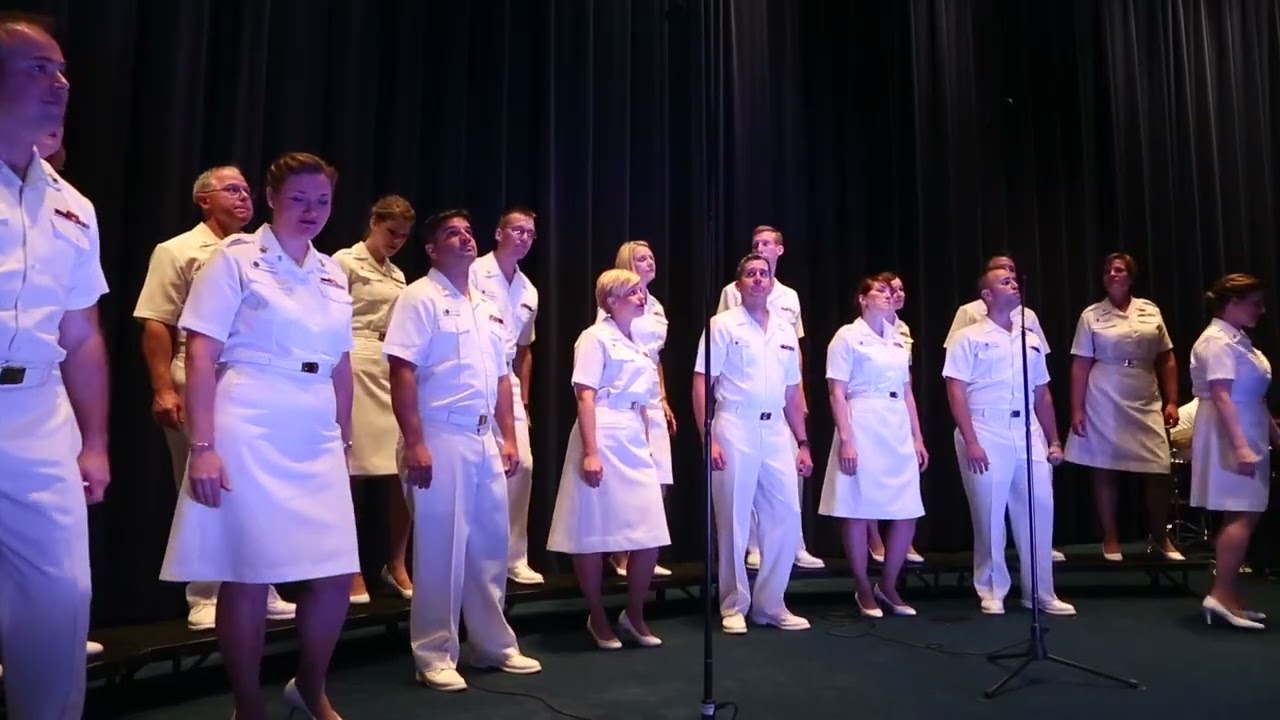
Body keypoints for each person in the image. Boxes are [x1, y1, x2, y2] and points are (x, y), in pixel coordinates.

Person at [159, 152, 358, 720]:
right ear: (272, 199)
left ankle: (310, 685)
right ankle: (248, 705)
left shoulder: (332, 271)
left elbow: (341, 363)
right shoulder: (235, 258)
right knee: (246, 573)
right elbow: (200, 353)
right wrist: (203, 445)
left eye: (321, 201)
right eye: (299, 199)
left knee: (336, 571)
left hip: (315, 422)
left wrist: (342, 440)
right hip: (250, 415)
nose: (311, 211)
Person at [0, 16, 111, 719]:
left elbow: (84, 331)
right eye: (38, 67)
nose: (59, 83)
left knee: (62, 594)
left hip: (40, 413)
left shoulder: (74, 207)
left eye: (63, 70)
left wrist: (95, 441)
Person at [384, 209, 541, 692]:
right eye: (452, 233)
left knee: (491, 544)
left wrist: (509, 436)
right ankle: (433, 652)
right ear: (432, 250)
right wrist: (415, 443)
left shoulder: (490, 305)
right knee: (441, 547)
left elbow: (500, 377)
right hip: (439, 433)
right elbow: (402, 369)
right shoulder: (419, 297)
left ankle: (493, 644)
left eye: (469, 231)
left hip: (484, 436)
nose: (465, 238)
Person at [135, 165, 297, 630]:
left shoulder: (264, 252)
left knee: (254, 486)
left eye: (248, 190)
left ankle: (259, 584)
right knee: (200, 482)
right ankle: (204, 593)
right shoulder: (179, 250)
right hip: (195, 371)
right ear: (204, 199)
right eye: (232, 189)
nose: (244, 197)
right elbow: (156, 321)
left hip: (252, 377)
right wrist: (164, 387)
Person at [548, 268, 671, 649]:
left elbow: (645, 400)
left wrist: (648, 445)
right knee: (592, 530)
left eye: (640, 291)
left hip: (634, 433)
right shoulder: (593, 338)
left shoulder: (638, 342)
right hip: (602, 427)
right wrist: (590, 452)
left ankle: (634, 614)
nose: (641, 297)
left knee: (649, 532)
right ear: (611, 300)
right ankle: (597, 616)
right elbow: (584, 396)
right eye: (632, 292)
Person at [943, 267, 1075, 616]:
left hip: (1027, 429)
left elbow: (1042, 393)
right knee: (989, 513)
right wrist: (970, 440)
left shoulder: (1029, 338)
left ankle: (1040, 592)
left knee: (1039, 510)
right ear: (987, 296)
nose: (1014, 286)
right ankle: (991, 589)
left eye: (1015, 281)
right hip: (985, 426)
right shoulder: (967, 337)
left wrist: (1054, 440)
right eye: (1005, 282)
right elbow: (955, 390)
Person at [695, 253, 814, 635]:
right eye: (751, 274)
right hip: (735, 424)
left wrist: (804, 442)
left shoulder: (783, 329)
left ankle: (770, 603)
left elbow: (794, 391)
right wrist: (708, 434)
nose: (759, 279)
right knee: (733, 517)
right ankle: (733, 604)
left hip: (776, 427)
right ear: (739, 284)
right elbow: (702, 383)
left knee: (785, 515)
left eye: (764, 273)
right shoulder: (722, 325)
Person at [819, 274, 928, 617]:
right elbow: (836, 392)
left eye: (889, 290)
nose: (887, 294)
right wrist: (847, 439)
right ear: (862, 299)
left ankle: (889, 584)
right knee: (857, 507)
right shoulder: (847, 337)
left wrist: (918, 436)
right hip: (862, 417)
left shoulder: (900, 338)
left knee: (907, 508)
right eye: (878, 290)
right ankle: (863, 586)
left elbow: (908, 390)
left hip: (895, 420)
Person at [717, 226, 824, 570]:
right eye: (754, 247)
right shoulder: (729, 304)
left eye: (766, 244)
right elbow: (710, 370)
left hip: (778, 408)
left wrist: (801, 396)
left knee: (787, 487)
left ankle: (794, 547)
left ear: (780, 249)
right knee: (741, 492)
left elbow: (795, 352)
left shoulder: (789, 299)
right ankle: (752, 546)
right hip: (738, 412)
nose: (760, 251)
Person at [1065, 253, 1182, 561]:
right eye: (1107, 271)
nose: (1113, 275)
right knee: (1105, 467)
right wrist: (1076, 409)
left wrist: (1172, 400)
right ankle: (1110, 536)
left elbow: (1167, 357)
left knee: (1159, 468)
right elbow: (1080, 364)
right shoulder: (1092, 315)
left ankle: (1160, 535)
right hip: (1105, 391)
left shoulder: (1150, 310)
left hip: (1144, 391)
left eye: (1119, 270)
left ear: (1131, 277)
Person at [333, 195, 415, 603]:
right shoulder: (345, 262)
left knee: (400, 475)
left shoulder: (399, 275)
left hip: (388, 364)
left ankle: (396, 562)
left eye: (403, 235)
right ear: (372, 222)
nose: (396, 241)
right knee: (352, 472)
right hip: (352, 361)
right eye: (390, 232)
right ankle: (347, 568)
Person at [1189, 273, 1276, 630]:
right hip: (1230, 431)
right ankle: (1221, 594)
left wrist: (1272, 430)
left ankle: (1228, 595)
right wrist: (1240, 445)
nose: (1261, 309)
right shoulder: (1217, 341)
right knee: (1243, 514)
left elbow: (1255, 394)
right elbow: (1222, 395)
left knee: (1242, 513)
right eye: (1255, 302)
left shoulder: (1238, 340)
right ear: (1233, 303)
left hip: (1248, 425)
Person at [469, 206, 543, 585]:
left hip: (508, 376)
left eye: (530, 233)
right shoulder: (474, 272)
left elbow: (526, 348)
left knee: (523, 465)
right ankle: (482, 556)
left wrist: (524, 399)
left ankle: (515, 555)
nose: (524, 238)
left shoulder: (529, 289)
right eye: (517, 230)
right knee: (483, 468)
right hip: (473, 372)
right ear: (498, 234)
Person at [598, 241, 676, 578]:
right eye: (641, 257)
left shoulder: (655, 305)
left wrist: (664, 398)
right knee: (626, 479)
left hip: (651, 395)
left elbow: (654, 357)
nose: (649, 262)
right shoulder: (616, 301)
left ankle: (645, 549)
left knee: (658, 476)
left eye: (651, 257)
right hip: (624, 397)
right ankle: (620, 553)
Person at [867, 273, 926, 565]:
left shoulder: (902, 330)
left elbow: (906, 379)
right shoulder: (864, 329)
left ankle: (903, 541)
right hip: (869, 409)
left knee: (901, 480)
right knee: (868, 478)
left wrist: (916, 432)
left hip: (897, 405)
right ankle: (874, 539)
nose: (898, 294)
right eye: (892, 289)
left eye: (902, 289)